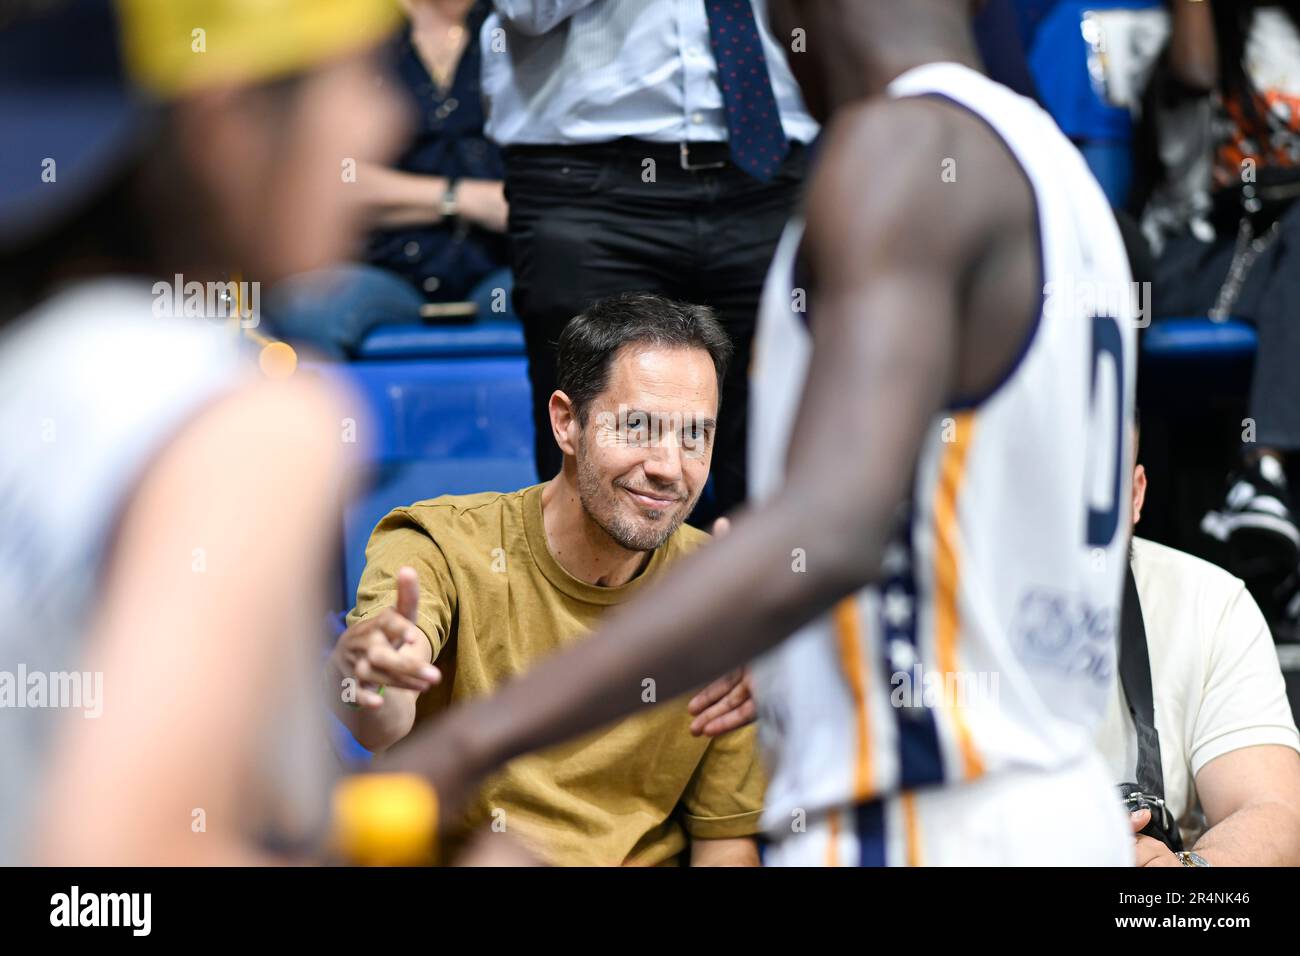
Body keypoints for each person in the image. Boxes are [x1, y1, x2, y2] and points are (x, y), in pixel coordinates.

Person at [386, 0, 1139, 866]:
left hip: (921, 812)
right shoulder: (1050, 164)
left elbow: (831, 532)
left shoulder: (900, 152)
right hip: (1052, 805)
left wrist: (467, 742)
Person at [0, 0, 406, 864]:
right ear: (226, 122)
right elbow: (115, 866)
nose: (388, 122)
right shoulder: (248, 419)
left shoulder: (36, 366)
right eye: (361, 79)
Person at [331, 294, 765, 866]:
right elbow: (379, 723)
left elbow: (725, 843)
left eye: (694, 436)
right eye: (637, 426)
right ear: (566, 422)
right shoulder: (439, 542)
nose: (668, 467)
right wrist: (369, 681)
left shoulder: (724, 594)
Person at [482, 0, 818, 522]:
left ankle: (752, 602)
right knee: (606, 452)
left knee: (777, 465)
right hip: (591, 184)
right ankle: (600, 605)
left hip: (770, 179)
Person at [1138, 1, 1300, 618]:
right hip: (1196, 262)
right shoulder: (1187, 37)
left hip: (1282, 269)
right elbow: (1195, 74)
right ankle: (1261, 474)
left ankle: (1264, 494)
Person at [267, 0, 515, 358]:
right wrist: (464, 198)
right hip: (378, 268)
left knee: (573, 300)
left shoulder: (522, 26)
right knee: (309, 312)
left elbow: (548, 187)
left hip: (504, 266)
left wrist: (388, 196)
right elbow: (318, 180)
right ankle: (319, 414)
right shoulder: (348, 35)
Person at [1103, 426, 1300, 866]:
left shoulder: (1210, 602)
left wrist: (1184, 873)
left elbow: (1276, 812)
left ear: (1136, 496)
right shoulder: (924, 608)